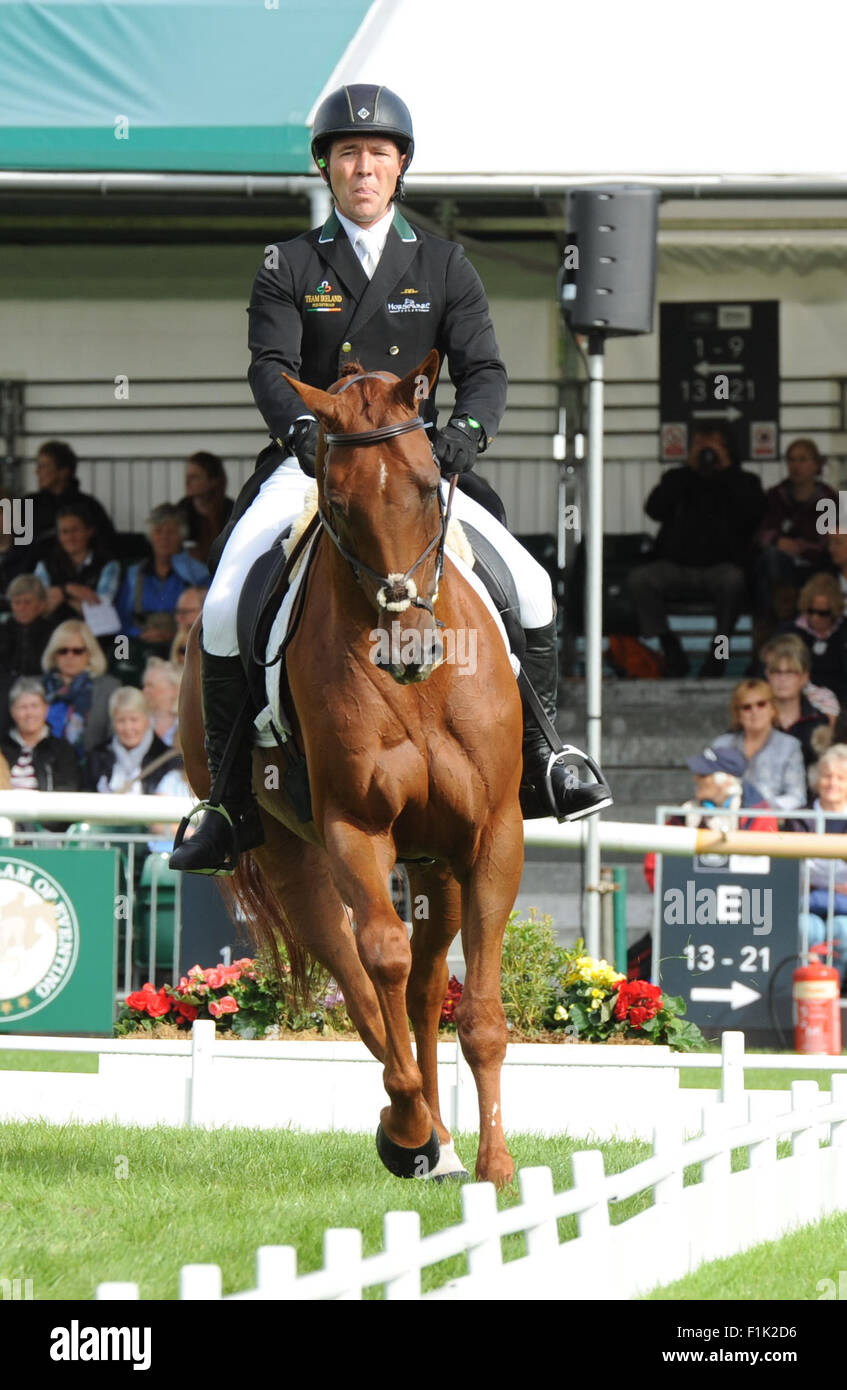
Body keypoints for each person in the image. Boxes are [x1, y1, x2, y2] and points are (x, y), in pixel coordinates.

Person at [171, 83, 611, 875]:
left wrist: (460, 440)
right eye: (347, 154)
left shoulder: (443, 262)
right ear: (328, 167)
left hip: (416, 465)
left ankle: (546, 758)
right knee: (230, 596)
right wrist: (306, 434)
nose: (363, 167)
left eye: (377, 154)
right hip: (317, 462)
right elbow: (270, 368)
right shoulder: (289, 263)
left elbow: (484, 370)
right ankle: (230, 801)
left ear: (399, 167)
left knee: (533, 584)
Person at [628, 425, 766, 678]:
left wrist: (726, 470)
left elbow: (754, 515)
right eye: (701, 443)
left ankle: (718, 654)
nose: (707, 450)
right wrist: (689, 470)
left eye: (714, 444)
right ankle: (671, 649)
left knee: (734, 580)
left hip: (720, 569)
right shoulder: (677, 477)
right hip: (675, 567)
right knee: (641, 579)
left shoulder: (744, 480)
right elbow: (654, 509)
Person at [643, 744, 778, 891]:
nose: (695, 779)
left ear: (725, 781)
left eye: (703, 775)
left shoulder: (758, 815)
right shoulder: (686, 814)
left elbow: (769, 875)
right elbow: (654, 866)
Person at [752, 438, 837, 648]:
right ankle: (780, 628)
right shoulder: (775, 494)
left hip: (816, 569)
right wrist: (778, 541)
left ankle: (783, 626)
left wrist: (798, 547)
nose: (796, 466)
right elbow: (761, 533)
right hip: (779, 567)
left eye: (803, 460)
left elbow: (829, 542)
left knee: (772, 575)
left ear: (817, 465)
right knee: (770, 561)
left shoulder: (829, 498)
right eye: (791, 460)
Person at [116, 504, 209, 655]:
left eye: (171, 532)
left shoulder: (198, 574)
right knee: (120, 656)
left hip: (183, 646)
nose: (164, 538)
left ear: (182, 536)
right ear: (150, 536)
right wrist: (138, 634)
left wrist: (173, 635)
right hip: (140, 644)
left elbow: (206, 619)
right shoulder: (135, 573)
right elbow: (121, 618)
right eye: (158, 531)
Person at [711, 678, 806, 811]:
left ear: (773, 709)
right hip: (727, 819)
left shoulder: (790, 746)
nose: (754, 711)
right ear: (738, 714)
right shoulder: (721, 745)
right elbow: (708, 789)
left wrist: (761, 808)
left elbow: (797, 797)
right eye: (746, 707)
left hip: (772, 823)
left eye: (761, 704)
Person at [798, 743, 847, 985]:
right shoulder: (799, 817)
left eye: (841, 778)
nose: (833, 783)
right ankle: (803, 991)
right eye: (827, 776)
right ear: (817, 779)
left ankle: (832, 992)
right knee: (808, 929)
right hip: (805, 903)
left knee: (843, 930)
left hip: (844, 907)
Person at [40, 619, 121, 763]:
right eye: (63, 651)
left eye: (77, 651)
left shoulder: (109, 688)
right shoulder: (38, 687)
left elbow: (114, 736)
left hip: (91, 770)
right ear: (54, 655)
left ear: (90, 654)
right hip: (43, 767)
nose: (69, 656)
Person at [33, 501, 120, 627]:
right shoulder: (45, 565)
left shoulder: (108, 565)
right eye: (64, 532)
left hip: (93, 635)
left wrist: (61, 594)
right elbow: (39, 607)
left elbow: (102, 611)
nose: (70, 537)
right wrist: (70, 590)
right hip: (52, 634)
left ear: (89, 532)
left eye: (75, 530)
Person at [23, 440, 117, 557]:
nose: (37, 471)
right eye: (38, 466)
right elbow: (19, 548)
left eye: (44, 466)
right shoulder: (27, 505)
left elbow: (106, 545)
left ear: (63, 471)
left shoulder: (89, 507)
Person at [87, 686, 182, 795]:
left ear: (147, 719)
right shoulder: (97, 756)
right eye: (121, 720)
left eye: (134, 720)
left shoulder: (169, 759)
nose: (128, 728)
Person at [760, 634, 830, 774]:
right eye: (776, 672)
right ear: (767, 675)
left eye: (790, 672)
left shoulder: (818, 722)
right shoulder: (754, 717)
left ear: (804, 677)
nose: (782, 679)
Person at [0, 677, 80, 793]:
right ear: (12, 711)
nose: (29, 713)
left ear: (46, 709)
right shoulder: (2, 749)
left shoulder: (62, 749)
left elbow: (68, 789)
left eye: (35, 706)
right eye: (23, 707)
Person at [777, 571, 847, 702]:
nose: (815, 617)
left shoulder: (844, 632)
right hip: (798, 701)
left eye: (823, 613)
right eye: (811, 611)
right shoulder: (789, 632)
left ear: (835, 611)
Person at [176, 453, 234, 566]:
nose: (187, 482)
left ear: (213, 481)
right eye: (187, 477)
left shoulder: (230, 511)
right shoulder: (182, 510)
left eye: (194, 477)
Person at [141, 657, 181, 746]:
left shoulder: (189, 724)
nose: (144, 690)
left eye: (150, 686)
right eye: (144, 685)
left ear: (174, 690)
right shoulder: (136, 721)